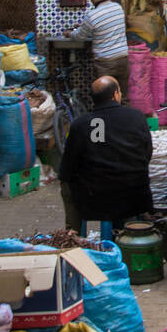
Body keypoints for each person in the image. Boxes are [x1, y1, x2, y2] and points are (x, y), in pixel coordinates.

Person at [57, 76, 153, 241]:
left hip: (94, 200)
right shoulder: (136, 117)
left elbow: (68, 166)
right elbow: (147, 153)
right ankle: (126, 226)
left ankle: (73, 239)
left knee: (66, 184)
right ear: (116, 94)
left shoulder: (80, 124)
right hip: (135, 196)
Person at [66, 0, 129, 103]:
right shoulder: (118, 8)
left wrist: (69, 33)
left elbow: (80, 36)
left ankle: (105, 121)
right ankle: (123, 119)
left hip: (105, 63)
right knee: (122, 96)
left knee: (104, 98)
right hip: (122, 60)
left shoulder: (92, 15)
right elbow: (108, 26)